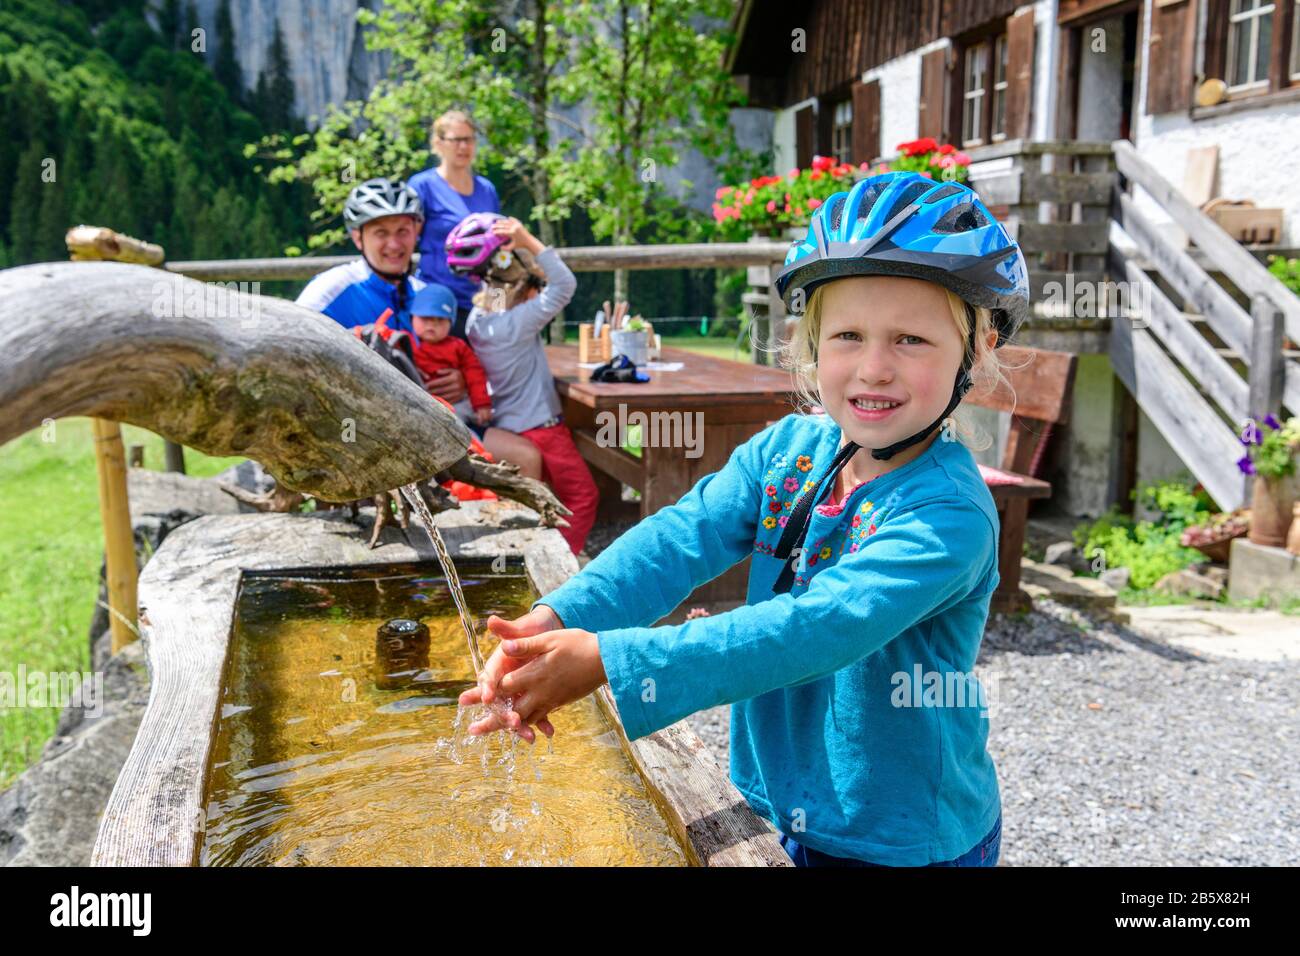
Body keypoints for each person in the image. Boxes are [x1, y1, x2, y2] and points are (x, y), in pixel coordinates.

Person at [457, 171, 1030, 868]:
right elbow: (679, 539)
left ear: (978, 350)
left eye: (911, 340)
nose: (873, 367)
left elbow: (813, 631)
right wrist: (559, 615)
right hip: (776, 797)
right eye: (848, 335)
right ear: (813, 343)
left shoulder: (948, 516)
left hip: (902, 836)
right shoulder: (790, 451)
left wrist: (611, 661)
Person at [453, 214, 599, 555]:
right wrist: (528, 240)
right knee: (583, 497)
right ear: (524, 286)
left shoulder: (479, 321)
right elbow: (565, 286)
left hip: (513, 424)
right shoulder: (516, 323)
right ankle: (559, 566)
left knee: (550, 494)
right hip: (543, 428)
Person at [295, 177, 469, 409]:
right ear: (358, 238)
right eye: (381, 233)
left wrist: (462, 381)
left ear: (416, 232)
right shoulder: (330, 289)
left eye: (402, 231)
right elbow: (292, 353)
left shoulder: (424, 294)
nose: (394, 244)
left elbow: (459, 355)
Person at [408, 110, 501, 339]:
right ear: (438, 143)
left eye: (469, 139)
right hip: (438, 303)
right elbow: (406, 241)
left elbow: (497, 246)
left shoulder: (486, 190)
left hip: (480, 302)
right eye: (456, 140)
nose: (463, 146)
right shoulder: (422, 186)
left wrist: (498, 301)